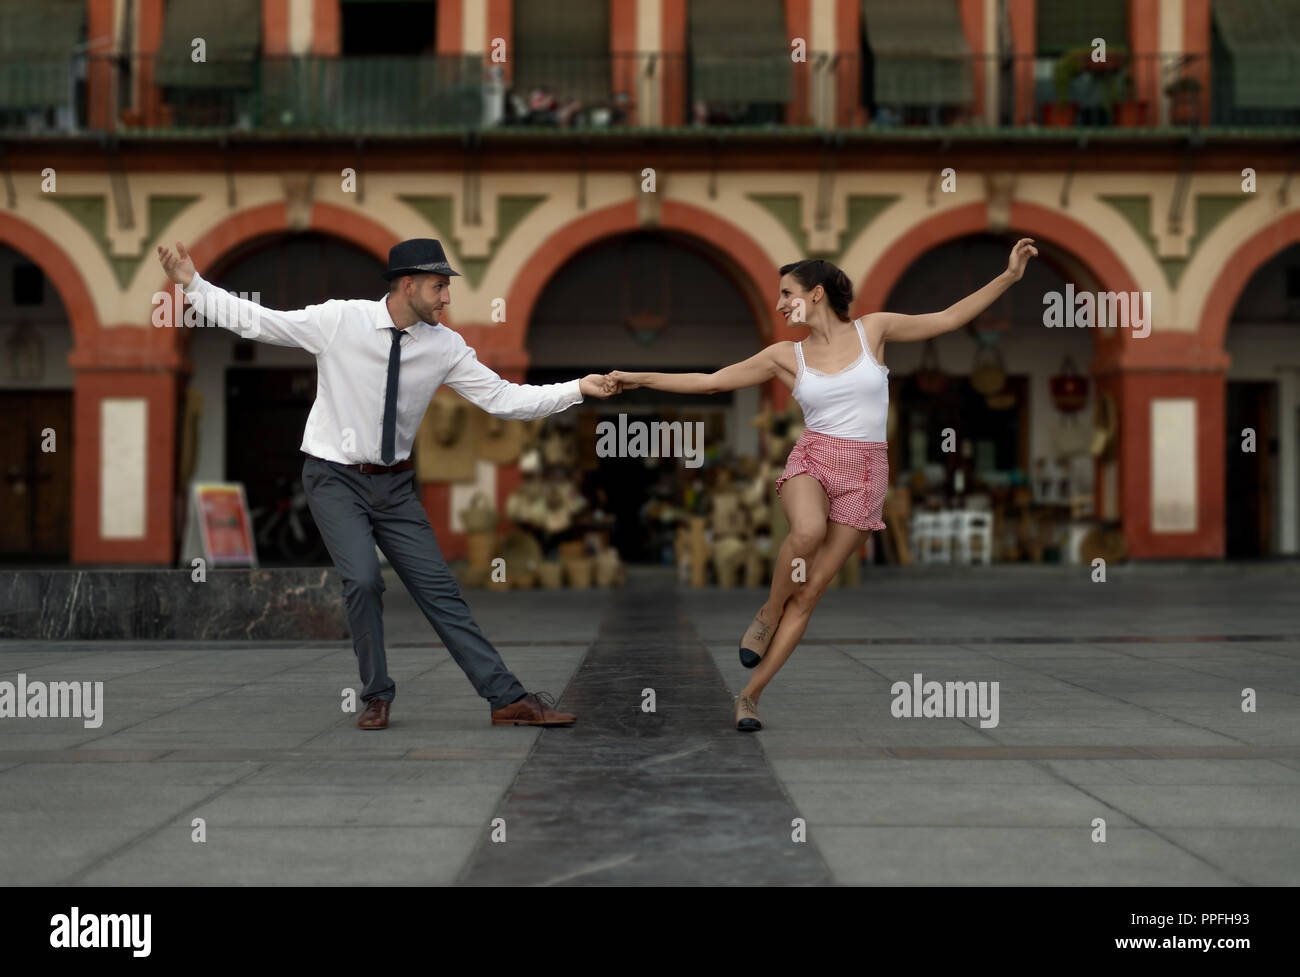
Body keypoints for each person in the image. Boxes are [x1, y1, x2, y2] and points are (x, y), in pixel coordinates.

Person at [157, 237, 622, 730]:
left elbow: (504, 399)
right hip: (334, 476)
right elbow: (259, 320)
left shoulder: (445, 347)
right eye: (440, 287)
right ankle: (377, 695)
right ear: (408, 285)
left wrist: (577, 389)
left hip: (395, 487)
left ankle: (506, 699)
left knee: (440, 590)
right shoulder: (341, 321)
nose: (447, 298)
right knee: (363, 579)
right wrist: (193, 284)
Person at [610, 239, 1038, 731]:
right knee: (807, 532)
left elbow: (946, 319)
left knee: (810, 592)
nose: (778, 303)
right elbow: (712, 382)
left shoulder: (873, 329)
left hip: (867, 471)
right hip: (815, 457)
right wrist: (638, 378)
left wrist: (1009, 277)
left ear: (815, 294)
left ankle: (748, 697)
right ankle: (768, 613)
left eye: (786, 293)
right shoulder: (784, 355)